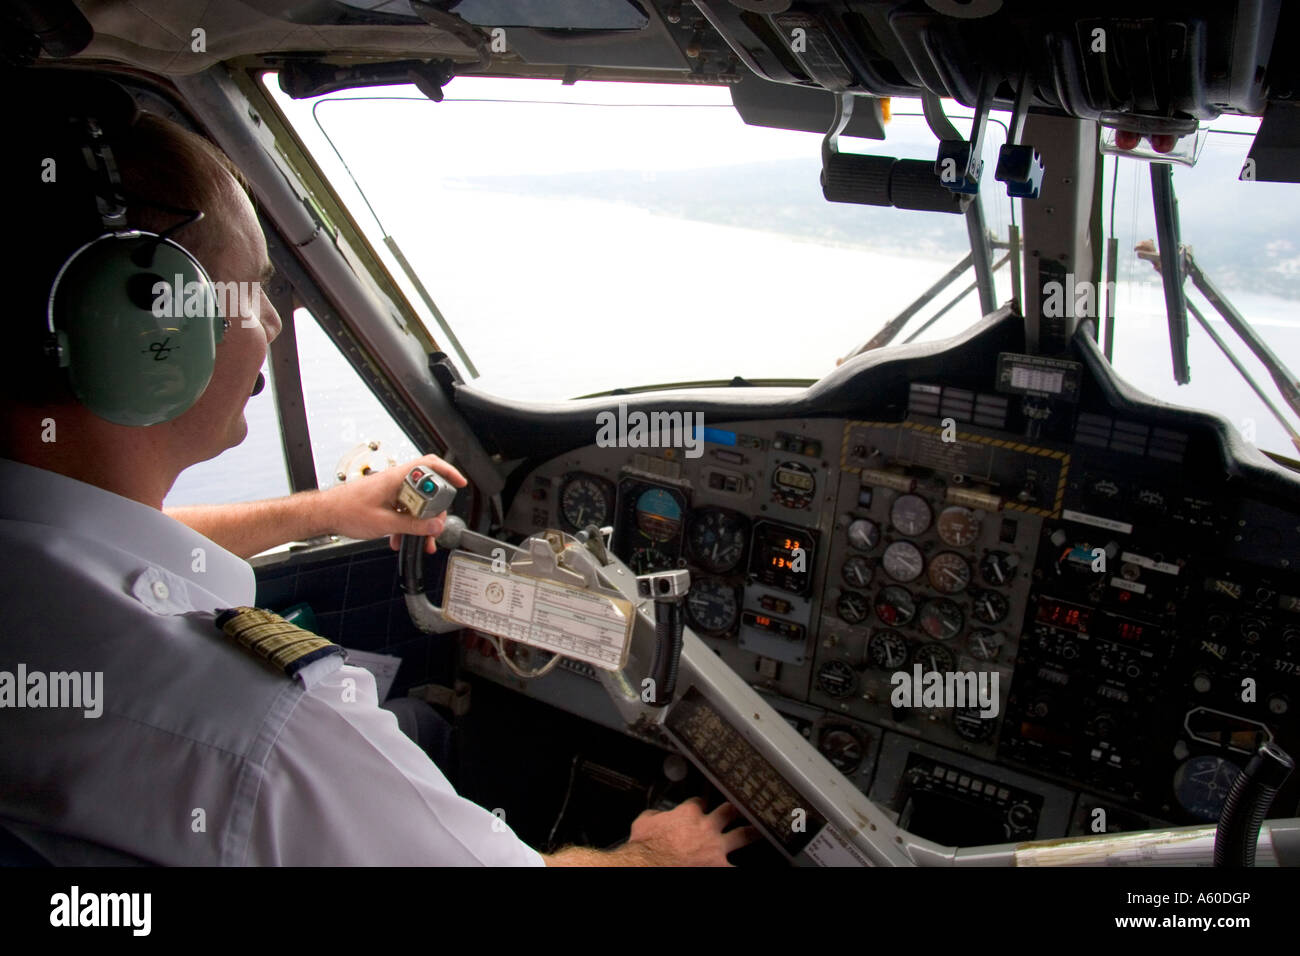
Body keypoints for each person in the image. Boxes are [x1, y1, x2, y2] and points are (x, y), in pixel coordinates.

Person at [0, 74, 757, 866]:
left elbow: (104, 553)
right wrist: (657, 854)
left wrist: (323, 511)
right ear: (145, 331)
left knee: (430, 727)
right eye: (254, 289)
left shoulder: (40, 564)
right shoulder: (265, 740)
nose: (267, 325)